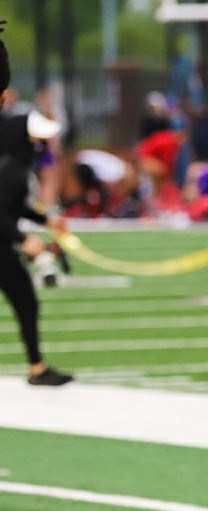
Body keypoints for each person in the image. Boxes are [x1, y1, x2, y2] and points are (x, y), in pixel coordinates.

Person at [0, 26, 73, 386]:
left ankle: (37, 367)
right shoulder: (10, 168)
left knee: (26, 301)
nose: (39, 144)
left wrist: (46, 219)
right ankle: (37, 367)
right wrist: (23, 238)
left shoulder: (15, 166)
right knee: (26, 300)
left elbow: (14, 208)